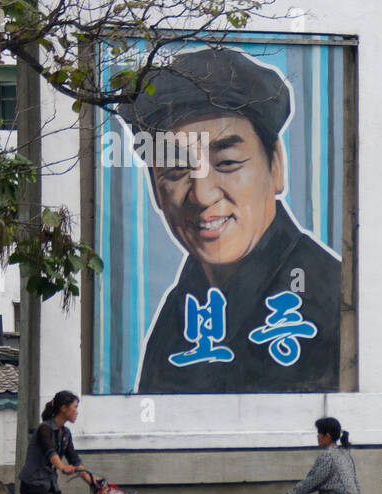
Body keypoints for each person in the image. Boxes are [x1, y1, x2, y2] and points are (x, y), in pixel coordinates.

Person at [117, 46, 341, 393]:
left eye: (227, 163)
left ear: (276, 166)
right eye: (177, 169)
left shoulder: (328, 299)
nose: (203, 195)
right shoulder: (178, 316)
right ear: (155, 187)